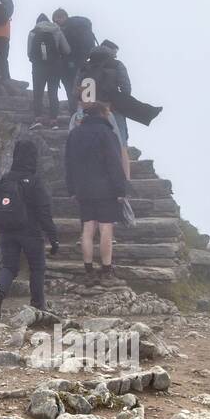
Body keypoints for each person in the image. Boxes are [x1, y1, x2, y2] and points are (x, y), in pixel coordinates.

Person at [0, 139, 59, 319]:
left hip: (7, 230)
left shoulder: (6, 178)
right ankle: (37, 304)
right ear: (33, 157)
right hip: (30, 232)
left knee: (9, 267)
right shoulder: (34, 181)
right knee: (37, 267)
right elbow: (44, 210)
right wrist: (53, 236)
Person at [64, 101, 128, 286]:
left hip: (83, 189)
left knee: (87, 229)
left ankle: (88, 270)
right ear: (102, 114)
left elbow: (68, 163)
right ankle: (107, 270)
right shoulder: (107, 134)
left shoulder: (75, 134)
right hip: (105, 189)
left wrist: (72, 189)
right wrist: (120, 189)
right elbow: (114, 163)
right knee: (106, 227)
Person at [27, 12, 70, 125]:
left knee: (38, 93)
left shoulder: (33, 32)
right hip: (54, 66)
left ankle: (38, 119)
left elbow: (29, 52)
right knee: (53, 93)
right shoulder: (56, 30)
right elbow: (67, 50)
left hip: (38, 67)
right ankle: (54, 120)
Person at [54, 9, 96, 112]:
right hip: (82, 63)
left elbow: (66, 49)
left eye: (57, 20)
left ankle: (76, 114)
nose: (56, 23)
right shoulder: (78, 27)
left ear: (63, 17)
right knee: (81, 90)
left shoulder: (69, 29)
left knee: (72, 90)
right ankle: (85, 113)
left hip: (71, 64)